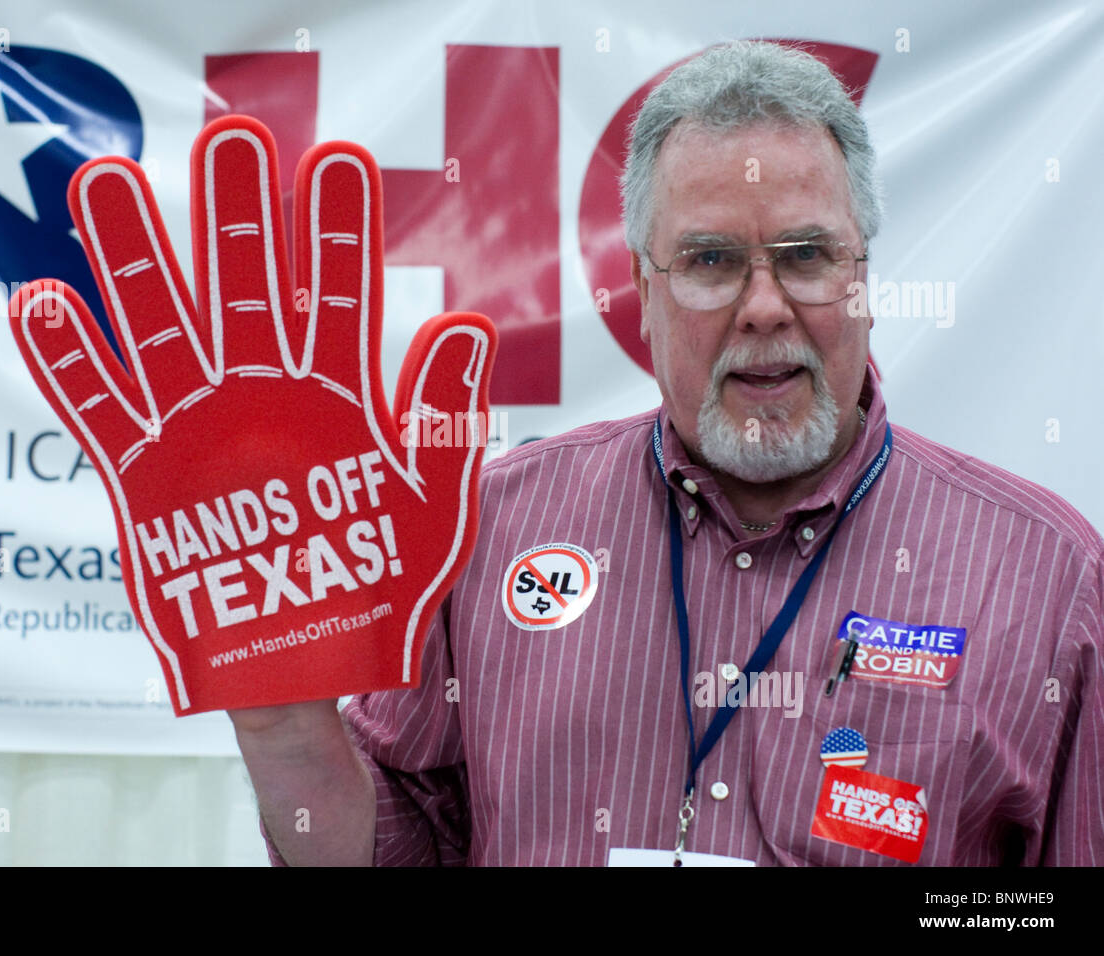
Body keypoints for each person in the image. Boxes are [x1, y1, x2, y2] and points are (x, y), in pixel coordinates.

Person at [232, 40, 1104, 866]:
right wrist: (291, 738)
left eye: (805, 255)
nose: (764, 307)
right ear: (643, 298)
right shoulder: (492, 528)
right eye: (712, 261)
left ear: (863, 278)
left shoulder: (1047, 576)